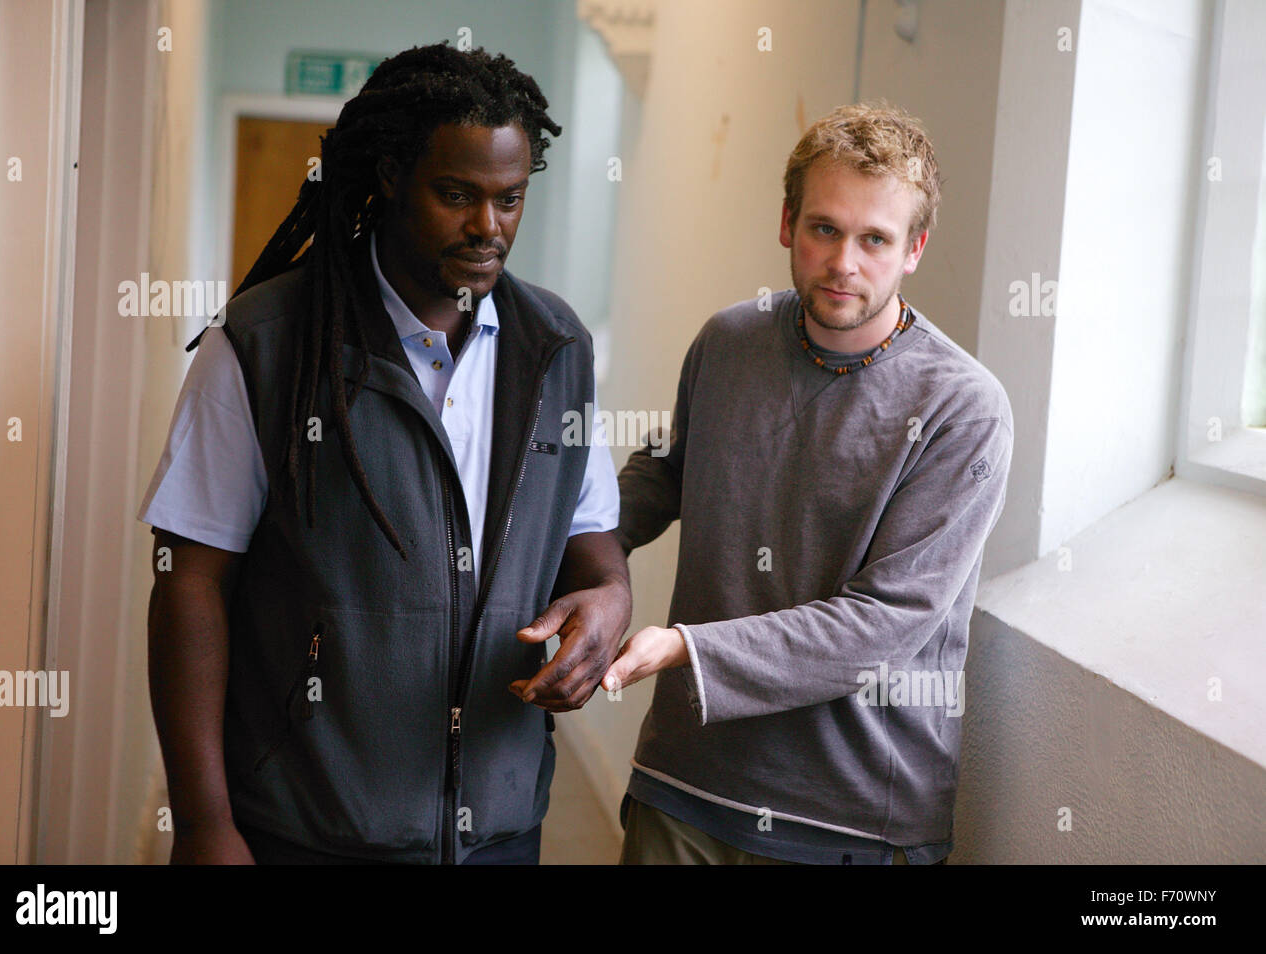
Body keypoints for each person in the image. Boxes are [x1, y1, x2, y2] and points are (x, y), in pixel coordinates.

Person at [141, 43, 631, 865]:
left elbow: (593, 544)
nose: (488, 226)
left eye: (510, 199)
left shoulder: (558, 349)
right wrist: (201, 824)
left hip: (499, 830)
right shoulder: (269, 343)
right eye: (456, 196)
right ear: (391, 175)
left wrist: (610, 601)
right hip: (309, 828)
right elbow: (189, 583)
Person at [602, 102, 1013, 865]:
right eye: (825, 228)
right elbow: (659, 478)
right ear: (787, 223)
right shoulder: (728, 341)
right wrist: (558, 552)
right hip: (686, 782)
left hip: (850, 819)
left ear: (914, 248)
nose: (844, 263)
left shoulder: (963, 407)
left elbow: (883, 624)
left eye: (875, 240)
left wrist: (687, 648)